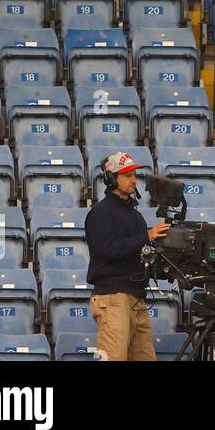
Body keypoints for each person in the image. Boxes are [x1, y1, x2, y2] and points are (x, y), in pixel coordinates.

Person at [85, 152, 171, 361]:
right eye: (127, 175)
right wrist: (146, 237)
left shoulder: (136, 216)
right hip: (113, 298)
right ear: (112, 178)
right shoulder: (100, 212)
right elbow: (106, 250)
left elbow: (138, 252)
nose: (134, 179)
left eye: (134, 174)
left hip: (136, 298)